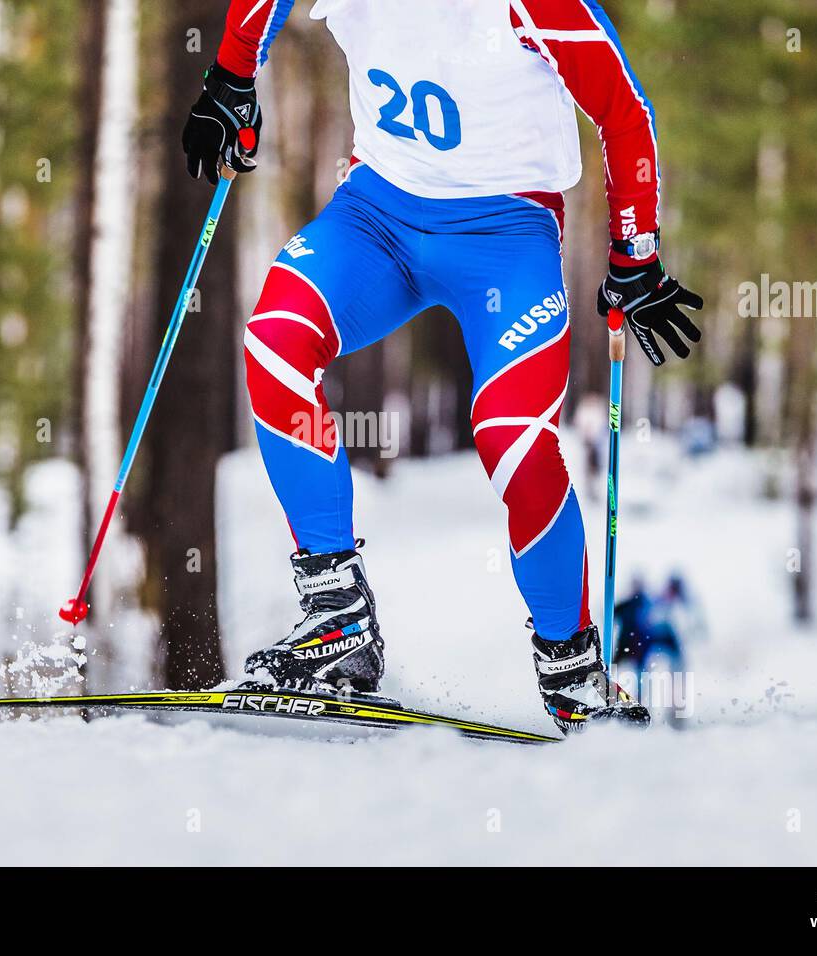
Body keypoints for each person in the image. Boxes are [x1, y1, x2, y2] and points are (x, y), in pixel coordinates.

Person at [181, 0, 703, 734]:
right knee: (276, 339)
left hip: (506, 234)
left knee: (513, 435)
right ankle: (336, 622)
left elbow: (625, 110)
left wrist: (636, 256)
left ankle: (573, 671)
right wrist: (231, 78)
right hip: (377, 219)